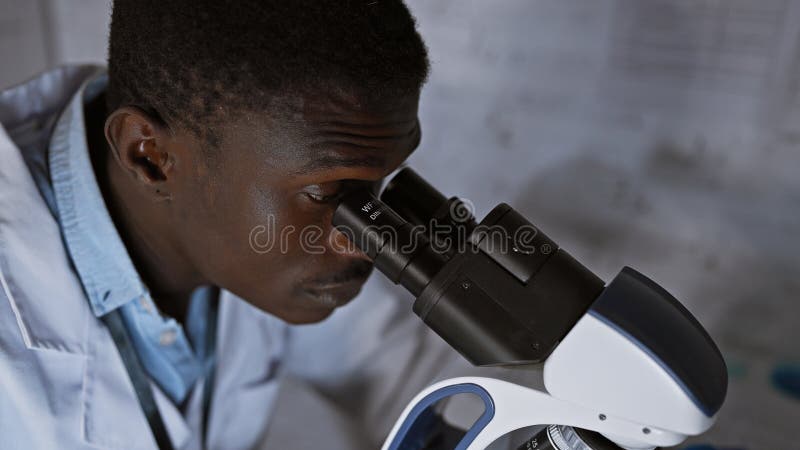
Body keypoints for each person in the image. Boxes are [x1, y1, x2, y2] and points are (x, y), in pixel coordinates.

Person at [0, 1, 469, 448]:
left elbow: (393, 367)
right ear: (150, 158)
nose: (366, 243)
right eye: (326, 194)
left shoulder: (232, 174)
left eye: (379, 182)